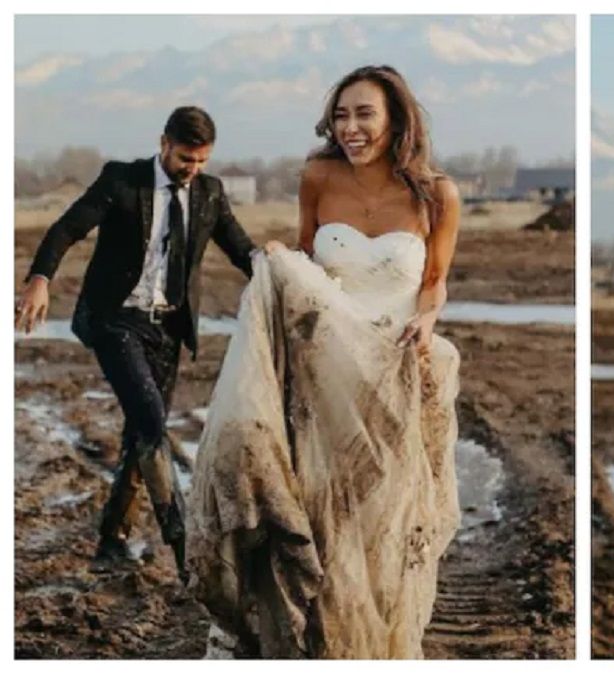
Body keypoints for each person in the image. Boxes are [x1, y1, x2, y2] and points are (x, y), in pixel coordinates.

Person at [186, 65, 462, 659]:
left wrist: (427, 321)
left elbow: (434, 281)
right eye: (341, 116)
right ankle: (316, 639)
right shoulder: (317, 175)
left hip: (392, 365)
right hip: (324, 369)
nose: (350, 127)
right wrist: (283, 260)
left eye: (364, 114)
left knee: (381, 513)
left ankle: (372, 641)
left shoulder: (437, 194)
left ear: (396, 120)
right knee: (320, 505)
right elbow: (310, 263)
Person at [15, 106, 257, 584]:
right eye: (185, 159)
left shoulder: (210, 192)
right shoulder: (122, 181)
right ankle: (185, 546)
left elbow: (240, 248)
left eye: (201, 161)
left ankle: (113, 540)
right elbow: (67, 228)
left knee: (141, 432)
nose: (192, 169)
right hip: (116, 319)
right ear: (164, 143)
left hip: (168, 328)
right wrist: (39, 279)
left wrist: (281, 274)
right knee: (149, 417)